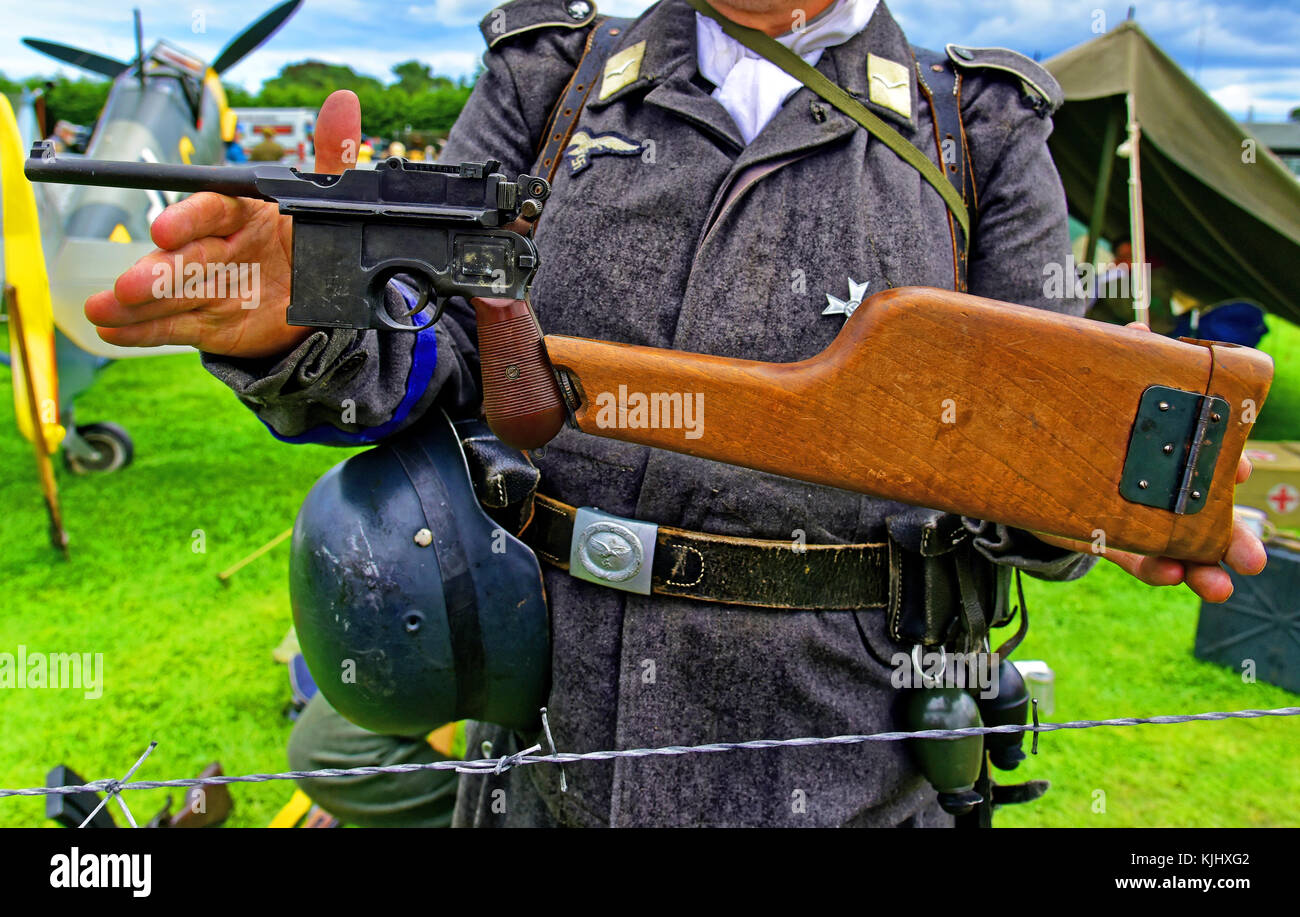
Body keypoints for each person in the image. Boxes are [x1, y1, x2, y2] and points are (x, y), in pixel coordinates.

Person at [86, 0, 1265, 827]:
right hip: (547, 730)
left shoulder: (979, 125)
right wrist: (299, 316)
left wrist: (1111, 511)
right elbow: (425, 353)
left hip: (847, 754)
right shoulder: (545, 78)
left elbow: (1049, 445)